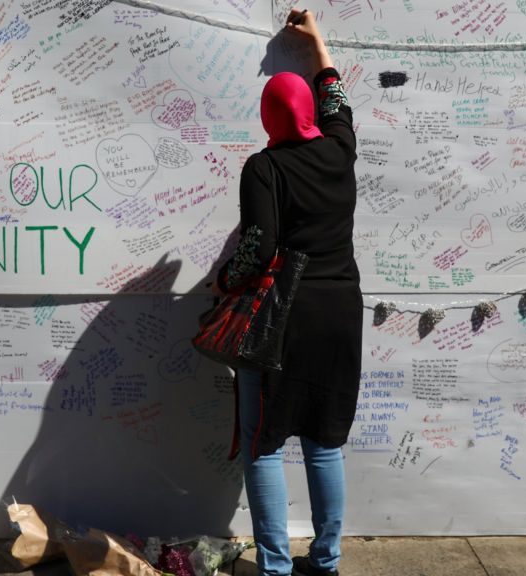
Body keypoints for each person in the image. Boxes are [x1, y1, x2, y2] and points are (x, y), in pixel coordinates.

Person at [214, 9, 362, 576]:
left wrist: (225, 281)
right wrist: (318, 41)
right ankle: (324, 563)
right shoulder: (339, 150)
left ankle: (275, 569)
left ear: (268, 116)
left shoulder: (264, 167)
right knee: (324, 440)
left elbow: (258, 247)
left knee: (265, 442)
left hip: (285, 317)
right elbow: (336, 99)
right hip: (341, 311)